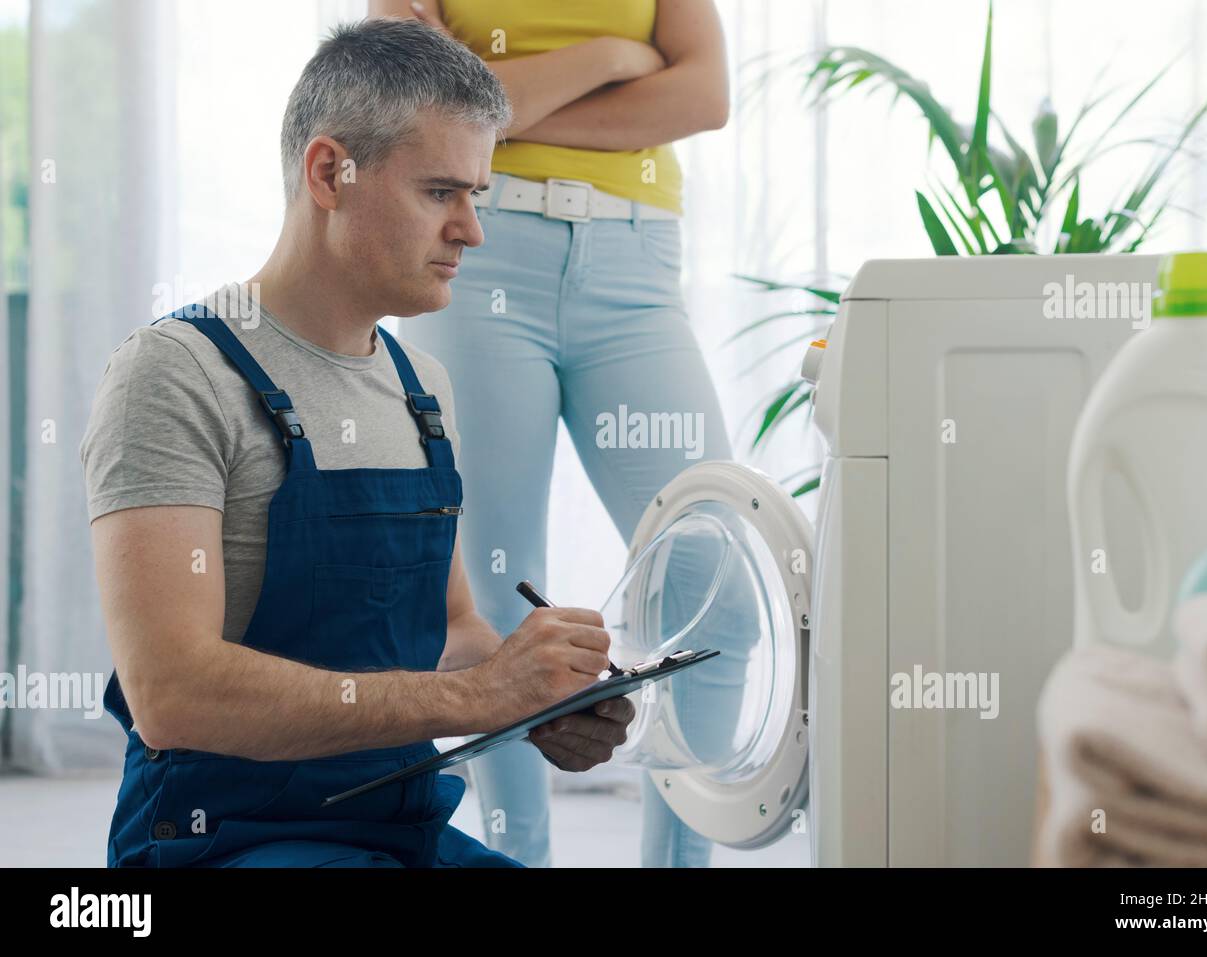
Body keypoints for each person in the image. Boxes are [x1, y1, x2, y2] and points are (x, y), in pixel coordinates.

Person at [79, 17, 633, 869]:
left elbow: (448, 629)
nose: (471, 231)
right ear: (329, 171)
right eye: (441, 192)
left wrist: (538, 698)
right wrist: (475, 695)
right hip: (223, 840)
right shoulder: (174, 374)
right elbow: (170, 692)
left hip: (397, 830)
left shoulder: (423, 390)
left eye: (476, 195)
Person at [368, 0, 735, 868]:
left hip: (635, 262)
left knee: (710, 565)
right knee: (490, 595)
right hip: (477, 246)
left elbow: (706, 96)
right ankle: (513, 861)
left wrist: (503, 106)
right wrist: (614, 52)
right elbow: (424, 100)